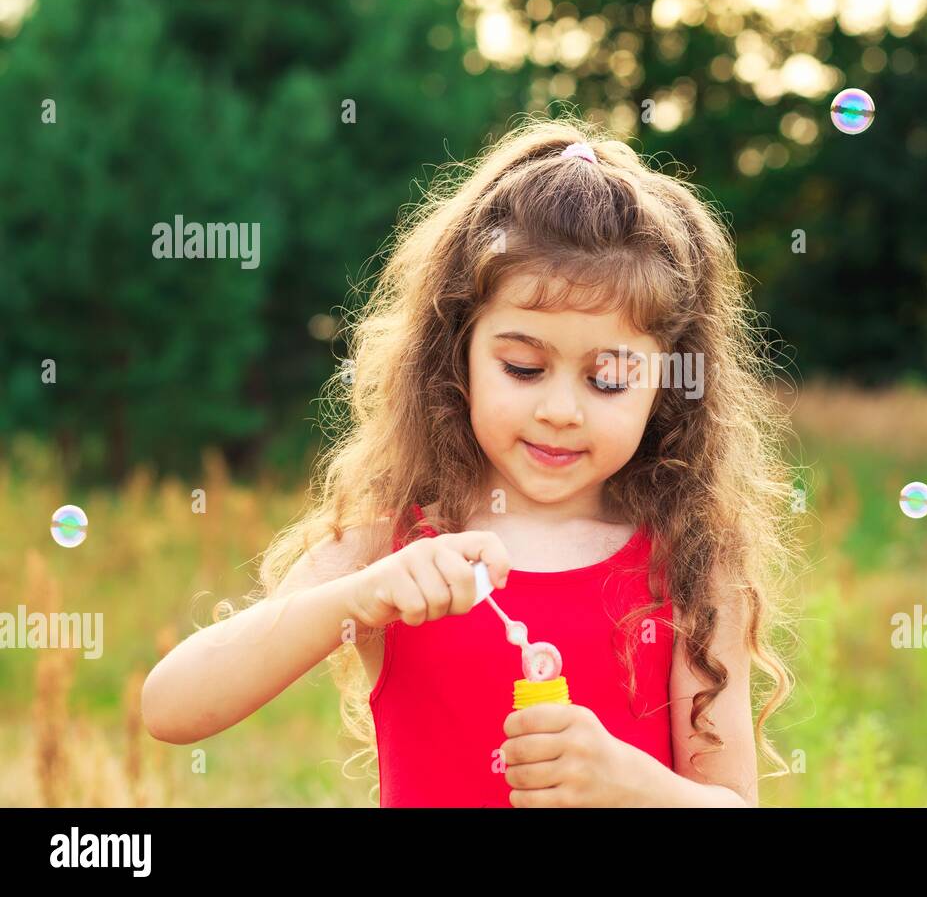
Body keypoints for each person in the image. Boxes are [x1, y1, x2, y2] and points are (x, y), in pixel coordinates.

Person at [142, 115, 802, 806]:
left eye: (606, 379)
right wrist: (358, 600)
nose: (560, 410)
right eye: (522, 367)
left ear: (667, 383)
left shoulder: (689, 568)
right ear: (457, 355)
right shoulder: (387, 554)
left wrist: (634, 787)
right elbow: (173, 707)